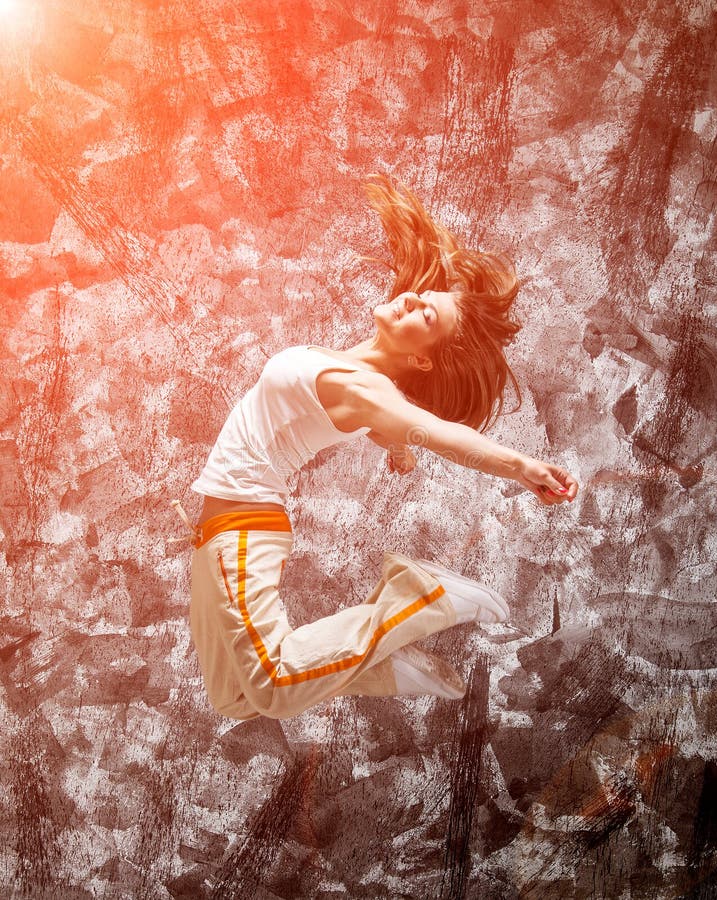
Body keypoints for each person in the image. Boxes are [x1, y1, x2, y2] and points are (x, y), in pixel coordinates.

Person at [176, 175, 579, 722]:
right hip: (215, 534)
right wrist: (399, 450)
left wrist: (520, 466)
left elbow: (439, 434)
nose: (411, 298)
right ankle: (389, 668)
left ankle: (420, 595)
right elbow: (391, 428)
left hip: (242, 524)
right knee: (236, 699)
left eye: (426, 316)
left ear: (422, 359)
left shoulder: (367, 390)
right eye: (422, 297)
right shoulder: (363, 380)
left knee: (271, 685)